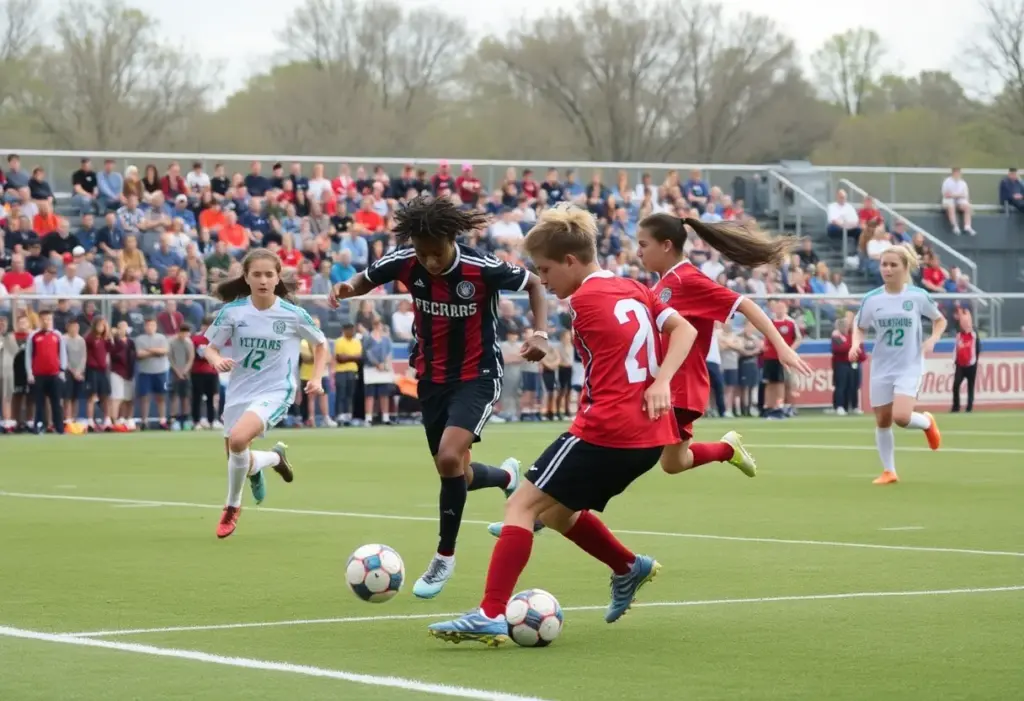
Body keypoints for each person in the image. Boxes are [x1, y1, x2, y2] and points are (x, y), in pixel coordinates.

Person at [426, 204, 696, 645]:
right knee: (557, 513)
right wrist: (661, 381)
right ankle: (629, 567)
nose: (544, 280)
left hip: (607, 429)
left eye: (546, 269)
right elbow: (684, 331)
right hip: (651, 434)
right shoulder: (633, 287)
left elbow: (600, 358)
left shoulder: (584, 300)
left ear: (571, 260)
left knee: (521, 507)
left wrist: (538, 340)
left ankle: (491, 612)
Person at [328, 195, 549, 600]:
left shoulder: (480, 267)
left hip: (478, 375)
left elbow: (534, 283)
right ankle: (506, 477)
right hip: (431, 379)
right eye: (422, 253)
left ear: (452, 239)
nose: (429, 261)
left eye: (436, 252)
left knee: (448, 458)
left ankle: (444, 556)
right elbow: (365, 278)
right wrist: (348, 288)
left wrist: (539, 332)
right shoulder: (405, 259)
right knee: (457, 473)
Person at [633, 214, 811, 475]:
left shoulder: (687, 279)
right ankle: (728, 449)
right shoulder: (663, 284)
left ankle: (567, 505)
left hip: (679, 388)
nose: (637, 253)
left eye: (643, 245)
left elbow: (745, 304)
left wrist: (782, 347)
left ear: (666, 245)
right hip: (667, 386)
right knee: (674, 463)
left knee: (623, 446)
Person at [203, 249, 330, 538]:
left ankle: (232, 507)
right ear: (246, 278)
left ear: (277, 278)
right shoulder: (233, 312)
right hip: (239, 392)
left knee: (237, 440)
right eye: (257, 274)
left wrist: (317, 377)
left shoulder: (292, 314)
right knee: (239, 457)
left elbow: (321, 345)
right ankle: (273, 459)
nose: (263, 280)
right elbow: (209, 346)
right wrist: (216, 360)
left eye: (268, 274)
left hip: (276, 390)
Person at [850, 245, 946, 485]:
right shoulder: (872, 299)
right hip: (882, 366)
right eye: (884, 264)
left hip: (909, 365)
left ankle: (926, 422)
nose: (888, 269)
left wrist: (932, 339)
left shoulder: (917, 296)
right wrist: (855, 344)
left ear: (905, 268)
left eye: (893, 265)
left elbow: (940, 320)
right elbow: (860, 326)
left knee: (901, 417)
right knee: (882, 420)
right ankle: (889, 471)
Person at [25, 309, 66, 434]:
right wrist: (29, 372)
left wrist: (62, 370)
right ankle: (40, 427)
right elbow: (29, 355)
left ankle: (59, 428)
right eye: (44, 319)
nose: (46, 322)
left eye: (49, 319)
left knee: (56, 403)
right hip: (38, 375)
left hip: (54, 374)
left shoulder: (57, 335)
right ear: (39, 320)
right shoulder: (33, 336)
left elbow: (63, 353)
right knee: (40, 403)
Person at [761, 300, 801, 419]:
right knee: (769, 382)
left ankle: (781, 407)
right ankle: (768, 407)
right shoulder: (769, 322)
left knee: (782, 383)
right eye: (777, 307)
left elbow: (798, 338)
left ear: (786, 309)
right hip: (770, 356)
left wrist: (789, 350)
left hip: (783, 358)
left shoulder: (790, 323)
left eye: (782, 307)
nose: (779, 310)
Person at [134, 318, 170, 430]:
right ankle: (144, 421)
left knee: (161, 397)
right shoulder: (139, 339)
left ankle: (162, 420)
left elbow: (164, 351)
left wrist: (149, 350)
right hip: (145, 372)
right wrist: (155, 351)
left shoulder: (161, 338)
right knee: (144, 397)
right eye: (148, 325)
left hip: (160, 371)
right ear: (145, 327)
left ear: (155, 326)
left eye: (152, 325)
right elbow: (139, 354)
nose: (150, 327)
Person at [190, 316, 221, 430]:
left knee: (212, 398)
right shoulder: (195, 339)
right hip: (198, 372)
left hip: (212, 372)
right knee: (197, 398)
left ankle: (212, 420)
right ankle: (196, 421)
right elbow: (195, 355)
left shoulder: (216, 339)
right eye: (206, 326)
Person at [83, 317, 112, 431]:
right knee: (91, 396)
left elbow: (109, 350)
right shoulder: (89, 338)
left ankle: (107, 420)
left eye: (104, 325)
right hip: (92, 370)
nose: (102, 327)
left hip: (102, 370)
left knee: (105, 396)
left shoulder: (106, 339)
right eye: (100, 325)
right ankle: (90, 421)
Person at [332, 322, 362, 426]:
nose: (352, 332)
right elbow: (340, 358)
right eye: (349, 330)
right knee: (341, 394)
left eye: (353, 330)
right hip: (341, 371)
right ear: (344, 331)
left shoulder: (356, 342)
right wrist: (352, 357)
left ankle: (348, 416)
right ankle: (339, 416)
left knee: (350, 395)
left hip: (352, 371)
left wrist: (348, 357)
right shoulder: (339, 342)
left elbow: (359, 357)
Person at [951, 311, 980, 413]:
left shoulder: (974, 334)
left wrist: (975, 361)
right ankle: (956, 406)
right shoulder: (959, 335)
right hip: (960, 364)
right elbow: (956, 348)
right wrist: (954, 360)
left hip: (971, 364)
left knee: (970, 386)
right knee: (956, 385)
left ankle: (969, 407)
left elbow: (977, 348)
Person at [169, 324, 195, 430]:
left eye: (187, 333)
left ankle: (186, 419)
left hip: (186, 374)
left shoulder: (189, 343)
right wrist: (177, 371)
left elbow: (191, 357)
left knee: (185, 397)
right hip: (174, 373)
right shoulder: (172, 342)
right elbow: (170, 358)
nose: (185, 335)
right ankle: (173, 419)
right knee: (174, 396)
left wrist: (185, 371)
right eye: (183, 332)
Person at [62, 318, 87, 426]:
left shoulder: (81, 340)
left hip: (79, 372)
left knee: (75, 397)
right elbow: (63, 356)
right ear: (68, 327)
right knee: (67, 396)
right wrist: (72, 371)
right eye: (73, 327)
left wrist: (79, 371)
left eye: (77, 327)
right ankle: (67, 418)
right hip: (67, 371)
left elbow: (84, 357)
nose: (75, 329)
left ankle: (74, 418)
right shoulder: (63, 339)